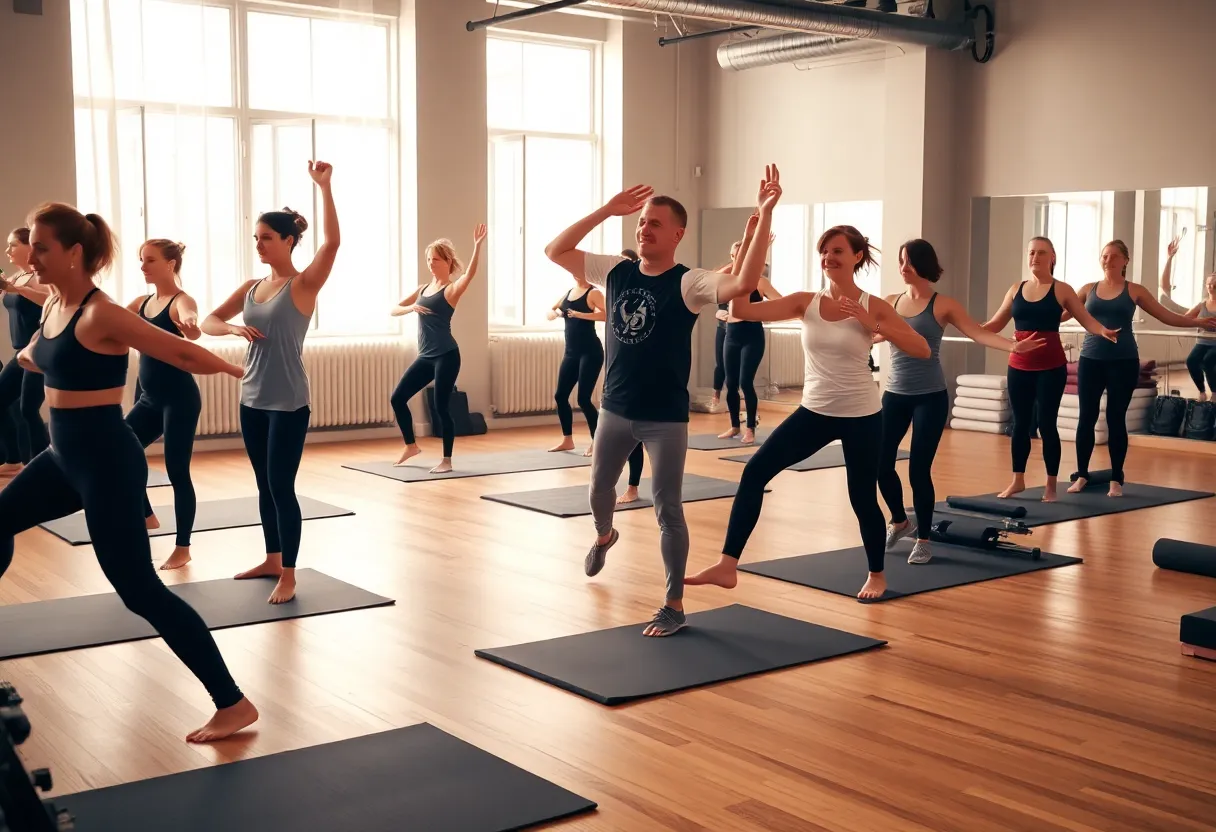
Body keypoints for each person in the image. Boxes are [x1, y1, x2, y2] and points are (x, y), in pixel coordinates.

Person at [0, 203, 257, 742]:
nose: (33, 256)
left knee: (139, 592)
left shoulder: (103, 313)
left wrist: (234, 368)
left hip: (107, 464)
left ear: (75, 253)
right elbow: (32, 356)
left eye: (42, 247)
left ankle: (232, 703)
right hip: (62, 458)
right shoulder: (53, 304)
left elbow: (181, 353)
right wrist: (29, 360)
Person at [545, 166, 780, 636]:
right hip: (615, 407)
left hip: (665, 418)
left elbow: (743, 283)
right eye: (640, 222)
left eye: (654, 223)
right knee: (597, 491)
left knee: (667, 507)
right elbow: (556, 250)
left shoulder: (690, 282)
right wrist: (607, 210)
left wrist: (764, 216)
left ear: (678, 233)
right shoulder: (615, 270)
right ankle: (604, 534)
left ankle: (673, 603)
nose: (643, 228)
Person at [687, 225, 930, 601]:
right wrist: (749, 246)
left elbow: (921, 349)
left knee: (862, 496)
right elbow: (741, 308)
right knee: (754, 472)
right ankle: (727, 564)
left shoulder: (874, 305)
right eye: (824, 251)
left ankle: (877, 574)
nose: (828, 258)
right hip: (814, 411)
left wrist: (873, 325)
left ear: (856, 257)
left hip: (862, 415)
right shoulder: (805, 301)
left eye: (837, 251)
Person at [203, 160, 339, 604]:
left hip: (289, 402)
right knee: (263, 485)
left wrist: (325, 187)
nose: (259, 244)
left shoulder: (304, 285)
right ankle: (271, 557)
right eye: (256, 237)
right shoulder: (250, 286)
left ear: (289, 241)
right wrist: (232, 329)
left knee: (282, 486)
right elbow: (209, 320)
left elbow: (333, 243)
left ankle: (290, 574)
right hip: (252, 398)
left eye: (267, 237)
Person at [877, 239, 1045, 564]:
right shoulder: (889, 302)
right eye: (900, 261)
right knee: (880, 464)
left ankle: (923, 539)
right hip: (894, 395)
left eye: (909, 261)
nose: (903, 267)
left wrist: (1012, 346)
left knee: (918, 470)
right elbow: (878, 331)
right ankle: (900, 521)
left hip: (930, 396)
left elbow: (977, 333)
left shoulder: (943, 305)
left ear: (923, 265)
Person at [1066, 240, 1216, 495]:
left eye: (1114, 256)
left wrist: (1197, 321)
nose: (1108, 260)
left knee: (1115, 418)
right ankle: (1081, 475)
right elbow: (1062, 313)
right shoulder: (1087, 289)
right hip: (1090, 360)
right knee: (1086, 418)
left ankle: (1116, 478)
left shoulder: (1134, 290)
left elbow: (1165, 315)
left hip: (1123, 361)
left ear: (1125, 260)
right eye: (1104, 256)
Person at [981, 236, 1118, 502]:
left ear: (1052, 257)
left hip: (1050, 368)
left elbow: (1086, 319)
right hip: (1018, 366)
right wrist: (965, 325)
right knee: (1020, 424)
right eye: (1031, 252)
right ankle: (1017, 480)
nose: (1035, 257)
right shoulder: (1016, 289)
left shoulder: (1062, 289)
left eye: (1041, 253)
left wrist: (1103, 331)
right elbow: (995, 325)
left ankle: (1050, 485)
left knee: (1047, 424)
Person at [125, 239, 203, 569]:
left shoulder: (179, 301)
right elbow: (104, 317)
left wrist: (191, 325)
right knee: (120, 448)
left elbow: (191, 319)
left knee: (177, 471)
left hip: (179, 399)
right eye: (141, 260)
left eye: (150, 261)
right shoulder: (141, 302)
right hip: (149, 398)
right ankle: (146, 516)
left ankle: (183, 547)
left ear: (170, 264)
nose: (142, 266)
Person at [389, 226, 486, 473]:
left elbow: (470, 275)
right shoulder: (422, 289)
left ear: (448, 261)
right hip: (425, 356)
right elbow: (395, 309)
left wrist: (477, 246)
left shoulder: (450, 290)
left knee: (442, 407)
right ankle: (411, 446)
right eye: (429, 259)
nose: (431, 264)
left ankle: (447, 460)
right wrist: (411, 308)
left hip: (446, 355)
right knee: (397, 398)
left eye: (436, 259)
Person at [718, 228, 780, 445]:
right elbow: (717, 300)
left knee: (746, 381)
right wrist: (721, 313)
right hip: (732, 334)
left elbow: (780, 302)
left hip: (752, 334)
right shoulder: (728, 279)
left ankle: (750, 428)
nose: (740, 257)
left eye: (744, 253)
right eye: (736, 254)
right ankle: (735, 425)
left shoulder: (760, 282)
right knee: (730, 381)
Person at [0, 227, 50, 476]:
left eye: (13, 245)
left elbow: (50, 300)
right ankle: (14, 459)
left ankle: (41, 467)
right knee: (16, 407)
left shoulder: (39, 277)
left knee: (28, 408)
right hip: (20, 350)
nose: (8, 250)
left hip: (39, 351)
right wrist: (9, 288)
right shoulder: (17, 277)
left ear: (29, 246)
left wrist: (15, 290)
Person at [546, 268, 606, 456]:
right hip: (571, 352)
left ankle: (596, 442)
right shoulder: (569, 292)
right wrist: (553, 314)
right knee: (560, 396)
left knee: (583, 399)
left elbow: (606, 315)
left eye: (578, 270)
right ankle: (567, 440)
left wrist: (581, 315)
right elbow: (552, 308)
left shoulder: (594, 293)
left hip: (591, 352)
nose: (574, 273)